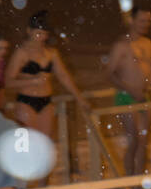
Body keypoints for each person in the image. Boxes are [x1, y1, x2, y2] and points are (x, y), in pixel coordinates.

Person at [5, 10, 89, 139]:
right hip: (26, 102)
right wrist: (33, 81)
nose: (41, 37)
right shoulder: (21, 53)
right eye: (38, 33)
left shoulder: (51, 53)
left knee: (45, 144)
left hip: (46, 101)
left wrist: (80, 98)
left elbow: (64, 77)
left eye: (44, 34)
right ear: (29, 31)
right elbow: (8, 82)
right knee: (30, 144)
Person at [106, 5, 151, 174]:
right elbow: (109, 74)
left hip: (144, 97)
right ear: (131, 20)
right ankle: (130, 180)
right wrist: (130, 89)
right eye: (141, 21)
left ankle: (140, 179)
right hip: (126, 96)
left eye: (148, 21)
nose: (145, 24)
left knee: (144, 140)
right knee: (134, 140)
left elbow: (150, 70)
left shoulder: (148, 44)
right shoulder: (121, 46)